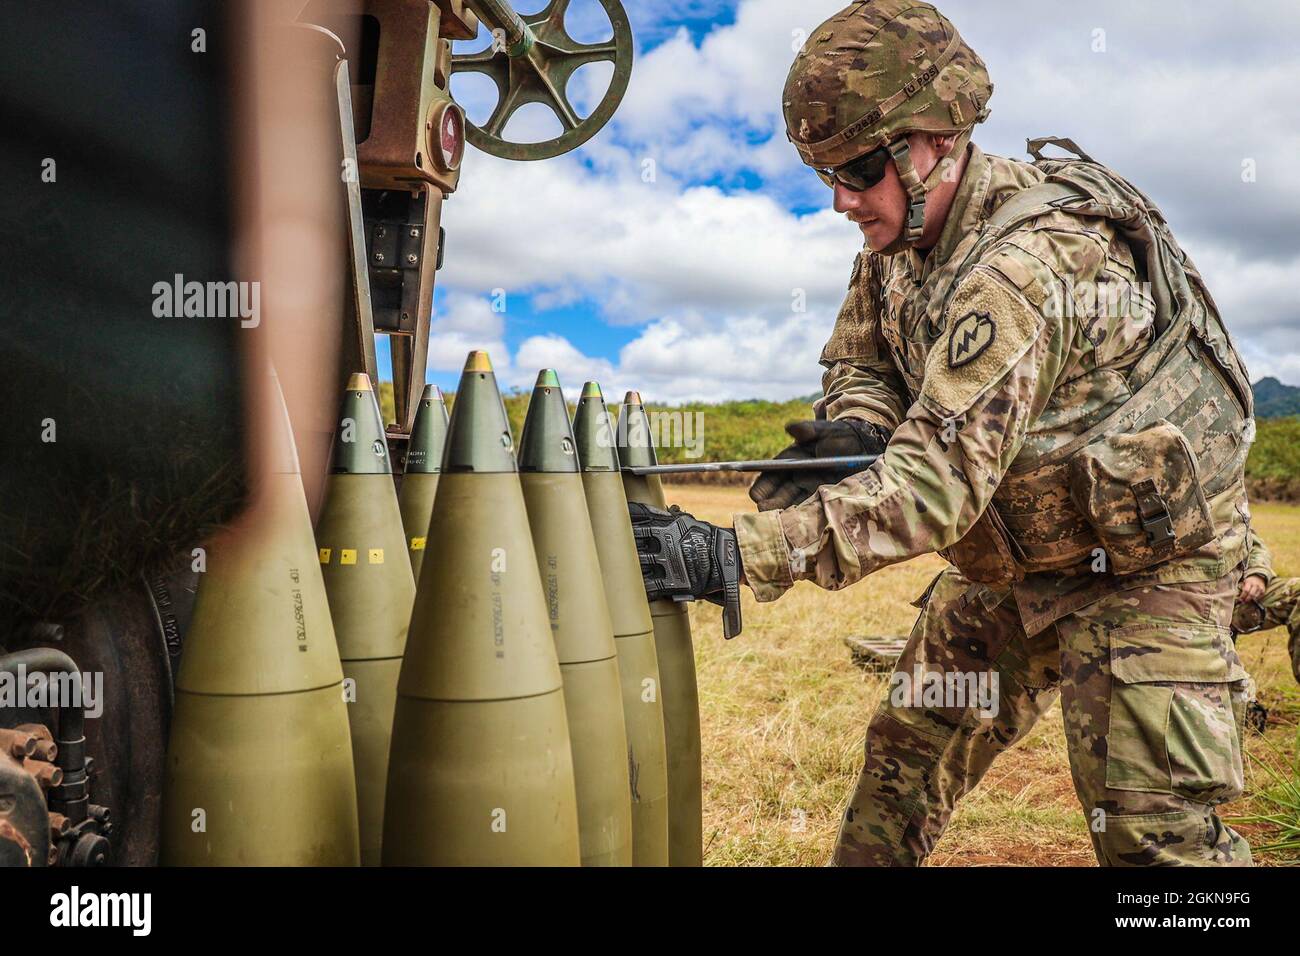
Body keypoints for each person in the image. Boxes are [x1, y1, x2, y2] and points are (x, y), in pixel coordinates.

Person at [629, 0, 1257, 866]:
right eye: (825, 175)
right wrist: (857, 428)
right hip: (1011, 563)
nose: (843, 201)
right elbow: (863, 359)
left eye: (858, 168)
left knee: (1156, 842)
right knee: (905, 763)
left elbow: (934, 487)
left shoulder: (1026, 266)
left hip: (1141, 571)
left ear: (936, 140)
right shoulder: (900, 242)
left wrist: (739, 554)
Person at [1233, 529, 1300, 685]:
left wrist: (1257, 573)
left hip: (1237, 596)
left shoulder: (1223, 506)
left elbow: (1252, 543)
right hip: (1183, 604)